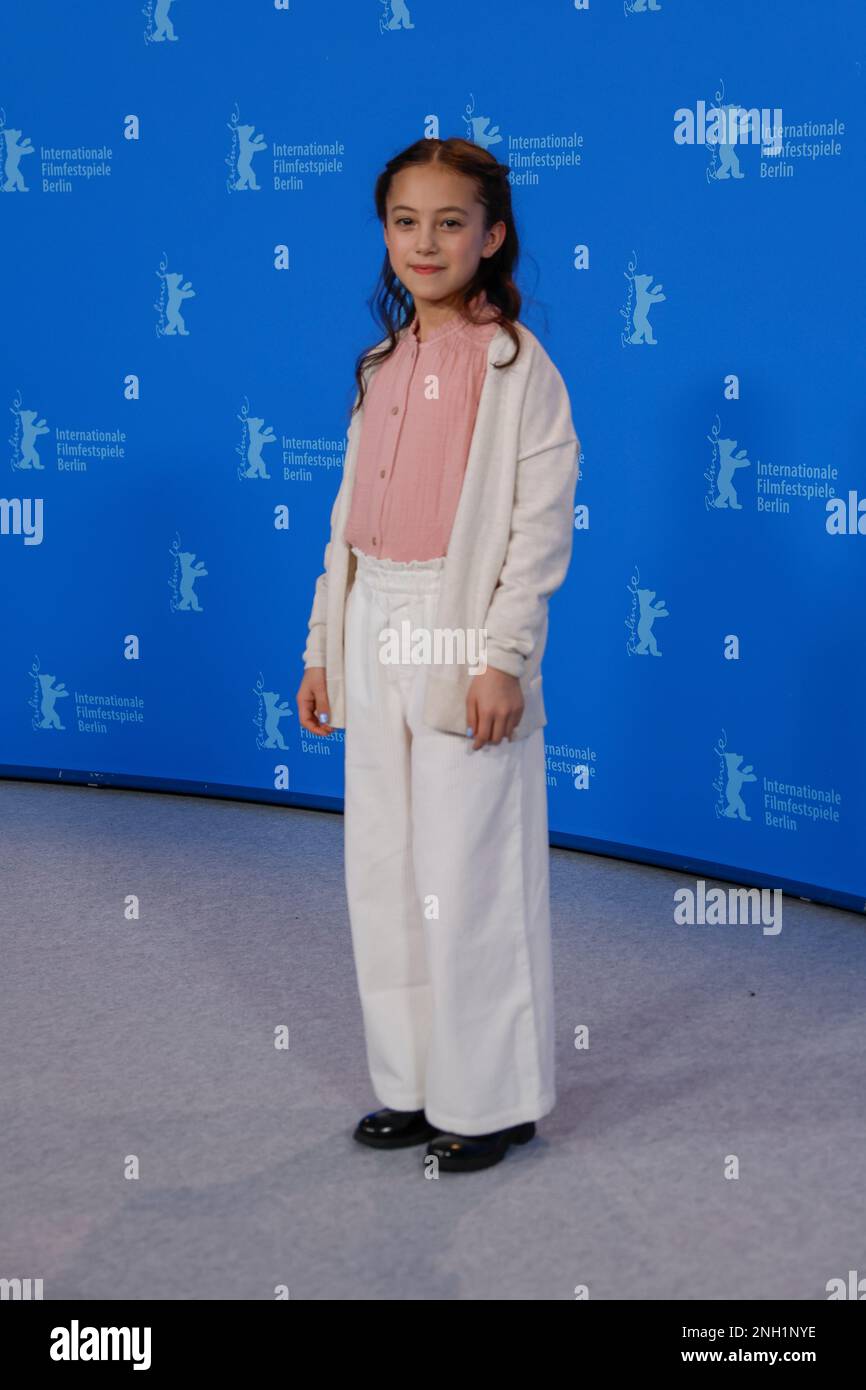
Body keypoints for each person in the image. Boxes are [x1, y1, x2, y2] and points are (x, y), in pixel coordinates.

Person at [296, 137, 580, 1174]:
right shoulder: (380, 364)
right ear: (384, 233)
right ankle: (414, 1084)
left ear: (491, 235)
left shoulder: (515, 368)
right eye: (406, 221)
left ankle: (491, 1097)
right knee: (385, 868)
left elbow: (536, 524)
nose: (426, 241)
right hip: (373, 613)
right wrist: (325, 643)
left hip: (459, 627)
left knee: (467, 871)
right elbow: (347, 517)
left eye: (450, 221)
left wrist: (501, 654)